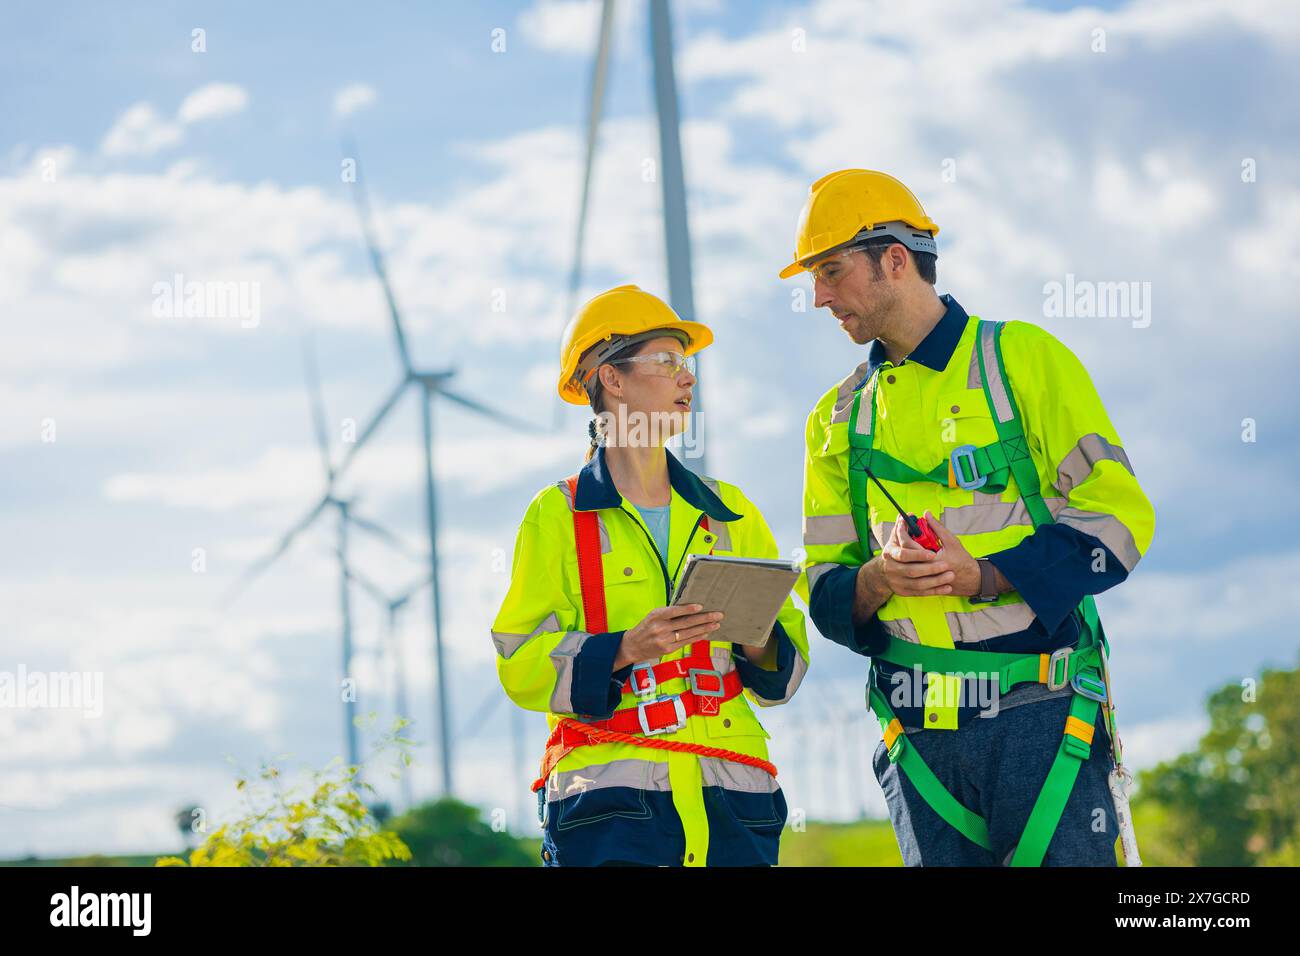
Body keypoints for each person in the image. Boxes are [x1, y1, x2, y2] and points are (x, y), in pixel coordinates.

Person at [786, 169, 1155, 866]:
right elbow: (826, 593)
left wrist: (982, 574)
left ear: (895, 260)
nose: (819, 297)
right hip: (915, 734)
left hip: (1042, 717)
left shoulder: (1023, 361)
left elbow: (1118, 523)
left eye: (831, 272)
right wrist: (878, 577)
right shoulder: (834, 421)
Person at [492, 283, 810, 867]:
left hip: (734, 796)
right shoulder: (557, 516)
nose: (688, 378)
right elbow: (519, 660)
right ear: (611, 378)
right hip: (611, 800)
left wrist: (753, 635)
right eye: (667, 362)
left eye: (686, 364)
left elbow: (786, 672)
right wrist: (623, 648)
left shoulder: (730, 510)